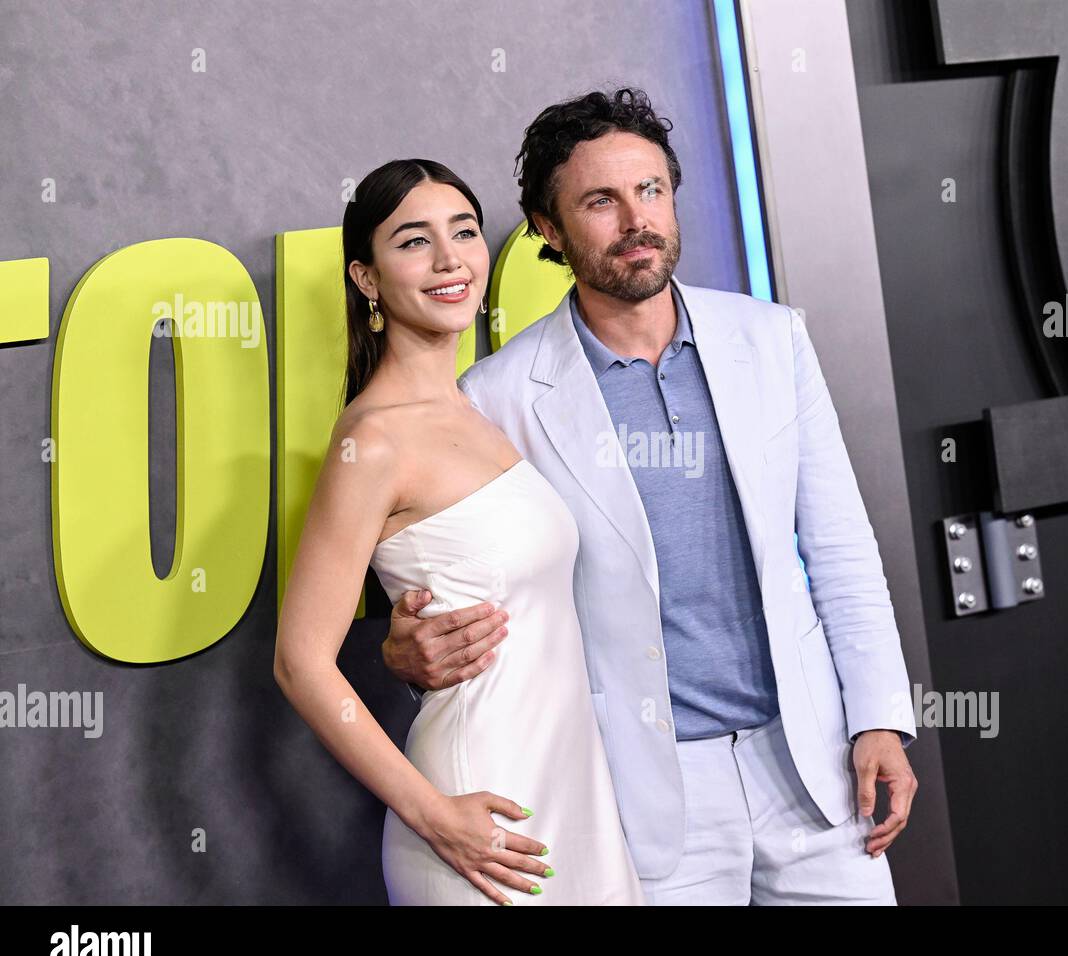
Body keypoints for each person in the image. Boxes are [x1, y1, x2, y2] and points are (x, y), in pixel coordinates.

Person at [380, 89, 920, 905]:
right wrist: (408, 655)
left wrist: (878, 715)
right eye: (601, 201)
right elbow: (477, 590)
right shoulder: (496, 398)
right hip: (642, 789)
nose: (637, 220)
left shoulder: (772, 340)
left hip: (813, 768)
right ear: (548, 230)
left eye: (652, 190)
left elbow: (841, 547)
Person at [273, 158, 645, 906]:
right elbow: (299, 662)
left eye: (465, 232)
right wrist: (433, 815)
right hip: (479, 810)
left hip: (575, 799)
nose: (450, 260)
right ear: (367, 279)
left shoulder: (482, 409)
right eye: (413, 241)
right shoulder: (372, 441)